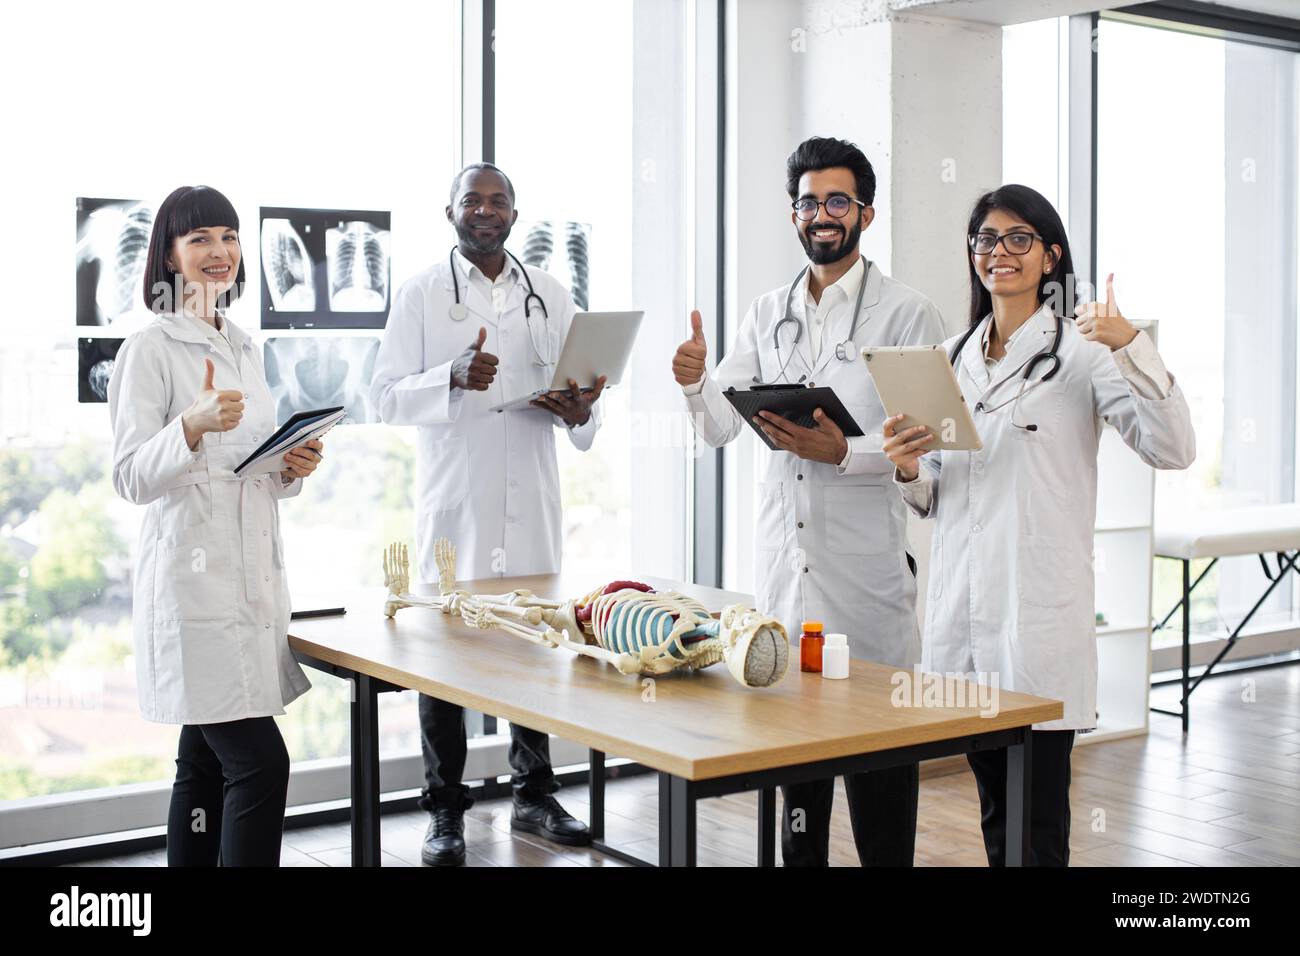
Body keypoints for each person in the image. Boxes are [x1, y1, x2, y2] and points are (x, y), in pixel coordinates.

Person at [883, 183, 1195, 866]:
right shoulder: (951, 356)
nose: (1000, 253)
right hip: (964, 621)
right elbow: (938, 491)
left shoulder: (1086, 354)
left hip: (1037, 625)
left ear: (1051, 256)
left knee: (1038, 823)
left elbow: (1172, 450)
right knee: (995, 807)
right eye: (987, 240)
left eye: (1019, 239)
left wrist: (1133, 344)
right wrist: (908, 470)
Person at [672, 137, 944, 866]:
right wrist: (695, 381)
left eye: (837, 201)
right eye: (808, 202)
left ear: (866, 213)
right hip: (787, 591)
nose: (821, 215)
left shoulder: (910, 315)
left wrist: (845, 454)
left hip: (868, 592)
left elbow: (933, 458)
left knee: (881, 801)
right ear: (792, 214)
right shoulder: (767, 311)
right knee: (797, 809)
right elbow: (722, 424)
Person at [371, 163, 604, 866]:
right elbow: (381, 397)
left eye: (497, 200)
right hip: (456, 507)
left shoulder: (550, 295)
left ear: (513, 214)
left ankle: (533, 793)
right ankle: (445, 812)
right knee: (443, 662)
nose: (485, 209)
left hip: (529, 501)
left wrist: (581, 408)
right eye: (472, 199)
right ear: (449, 211)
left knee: (533, 651)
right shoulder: (420, 296)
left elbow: (585, 401)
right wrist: (449, 377)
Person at [108, 185, 325, 866]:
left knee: (200, 770)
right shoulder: (150, 349)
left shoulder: (244, 348)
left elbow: (245, 474)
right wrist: (191, 426)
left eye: (228, 237)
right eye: (200, 238)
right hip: (194, 593)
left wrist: (291, 465)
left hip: (247, 587)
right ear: (169, 254)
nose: (219, 252)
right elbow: (130, 476)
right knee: (260, 765)